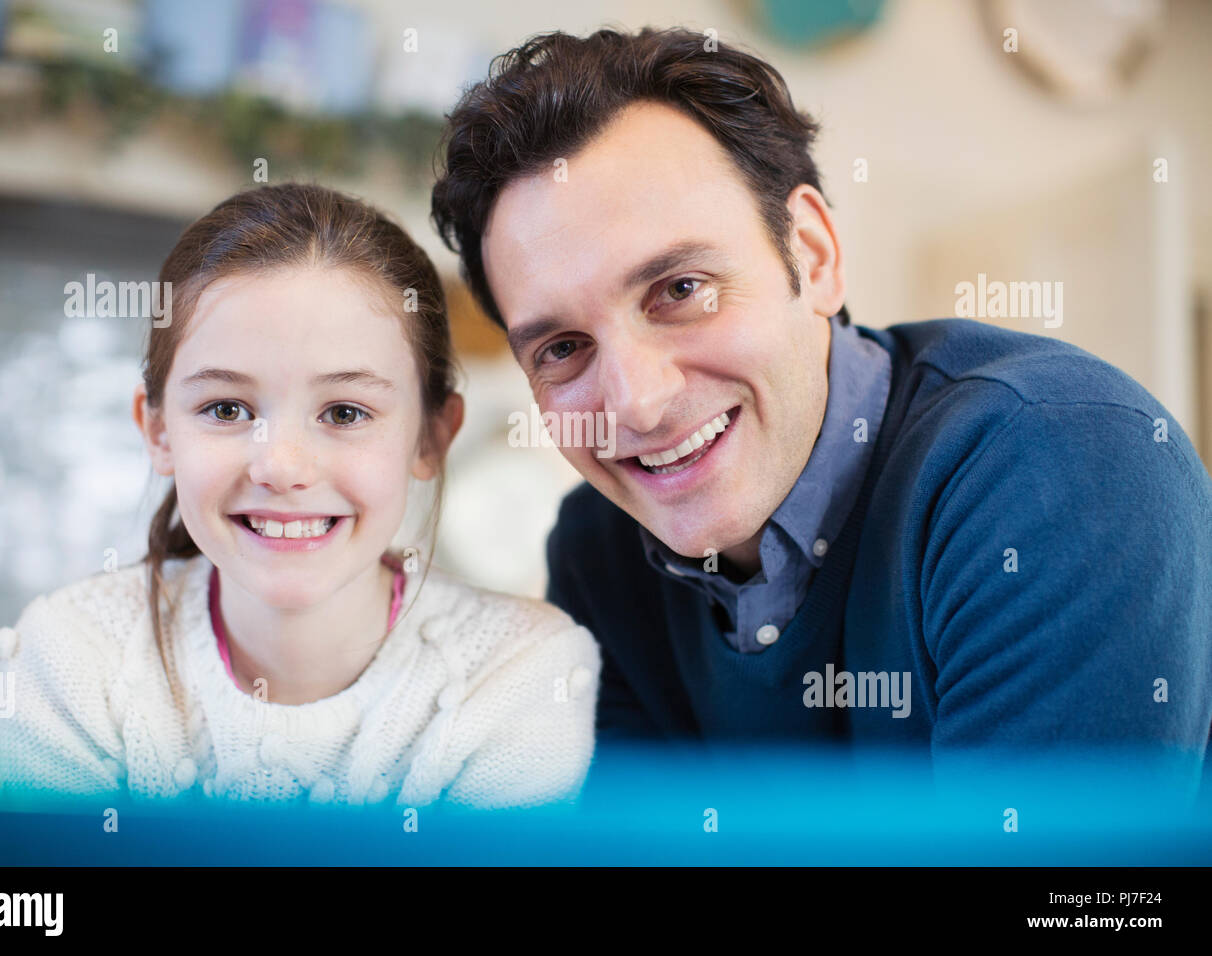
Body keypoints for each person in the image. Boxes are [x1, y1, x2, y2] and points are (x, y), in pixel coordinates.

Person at [430, 28, 1212, 785]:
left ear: (813, 253)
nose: (637, 403)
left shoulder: (1061, 465)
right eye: (562, 348)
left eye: (681, 290)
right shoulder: (598, 555)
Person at [0, 183, 600, 808]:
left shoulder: (519, 672)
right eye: (226, 408)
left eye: (343, 412)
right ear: (158, 430)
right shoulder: (74, 653)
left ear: (431, 437)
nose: (281, 467)